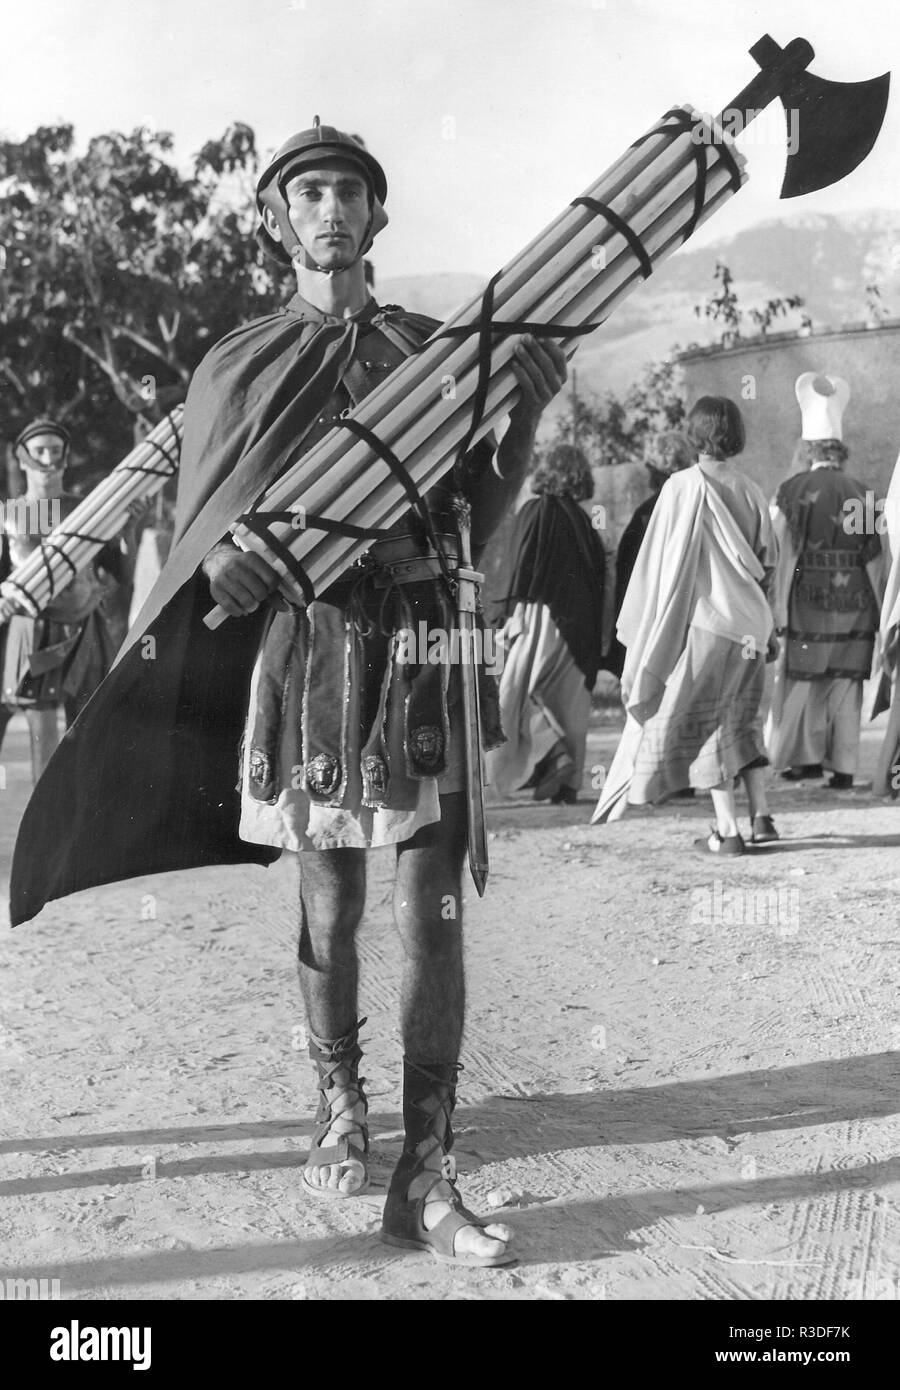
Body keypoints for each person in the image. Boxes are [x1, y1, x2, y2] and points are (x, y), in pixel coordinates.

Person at [11, 123, 567, 1267]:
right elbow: (203, 532)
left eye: (349, 191)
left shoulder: (430, 349)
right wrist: (221, 561)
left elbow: (480, 516)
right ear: (278, 218)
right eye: (308, 191)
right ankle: (340, 1100)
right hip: (307, 656)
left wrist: (524, 421)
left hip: (423, 648)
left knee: (434, 914)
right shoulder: (239, 361)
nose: (330, 209)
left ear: (376, 216)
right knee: (331, 911)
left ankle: (430, 1169)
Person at [592, 396, 779, 854]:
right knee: (742, 720)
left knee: (708, 721)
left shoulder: (680, 486)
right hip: (754, 623)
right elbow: (770, 562)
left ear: (693, 434)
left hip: (709, 624)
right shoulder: (752, 489)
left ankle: (727, 832)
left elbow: (655, 566)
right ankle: (762, 818)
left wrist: (646, 631)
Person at [765, 374, 883, 790]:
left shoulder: (790, 490)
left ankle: (806, 760)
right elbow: (875, 558)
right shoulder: (862, 492)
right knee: (845, 684)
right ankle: (845, 768)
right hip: (856, 602)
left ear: (808, 448)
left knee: (802, 682)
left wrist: (776, 606)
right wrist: (881, 611)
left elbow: (779, 551)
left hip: (807, 600)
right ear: (840, 450)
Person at [0, 419, 122, 782]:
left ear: (66, 459)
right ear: (22, 458)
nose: (48, 458)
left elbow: (115, 571)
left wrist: (127, 527)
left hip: (84, 628)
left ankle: (73, 829)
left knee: (86, 734)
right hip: (31, 632)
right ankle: (41, 826)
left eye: (55, 450)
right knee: (43, 739)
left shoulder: (88, 508)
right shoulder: (10, 514)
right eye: (39, 450)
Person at [486, 443, 606, 804]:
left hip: (539, 615)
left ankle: (553, 757)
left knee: (515, 693)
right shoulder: (584, 521)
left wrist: (503, 614)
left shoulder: (536, 510)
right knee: (568, 702)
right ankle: (567, 782)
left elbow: (519, 565)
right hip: (580, 626)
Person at [607, 430, 695, 680]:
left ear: (655, 471)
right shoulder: (701, 502)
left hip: (655, 622)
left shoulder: (647, 514)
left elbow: (628, 578)